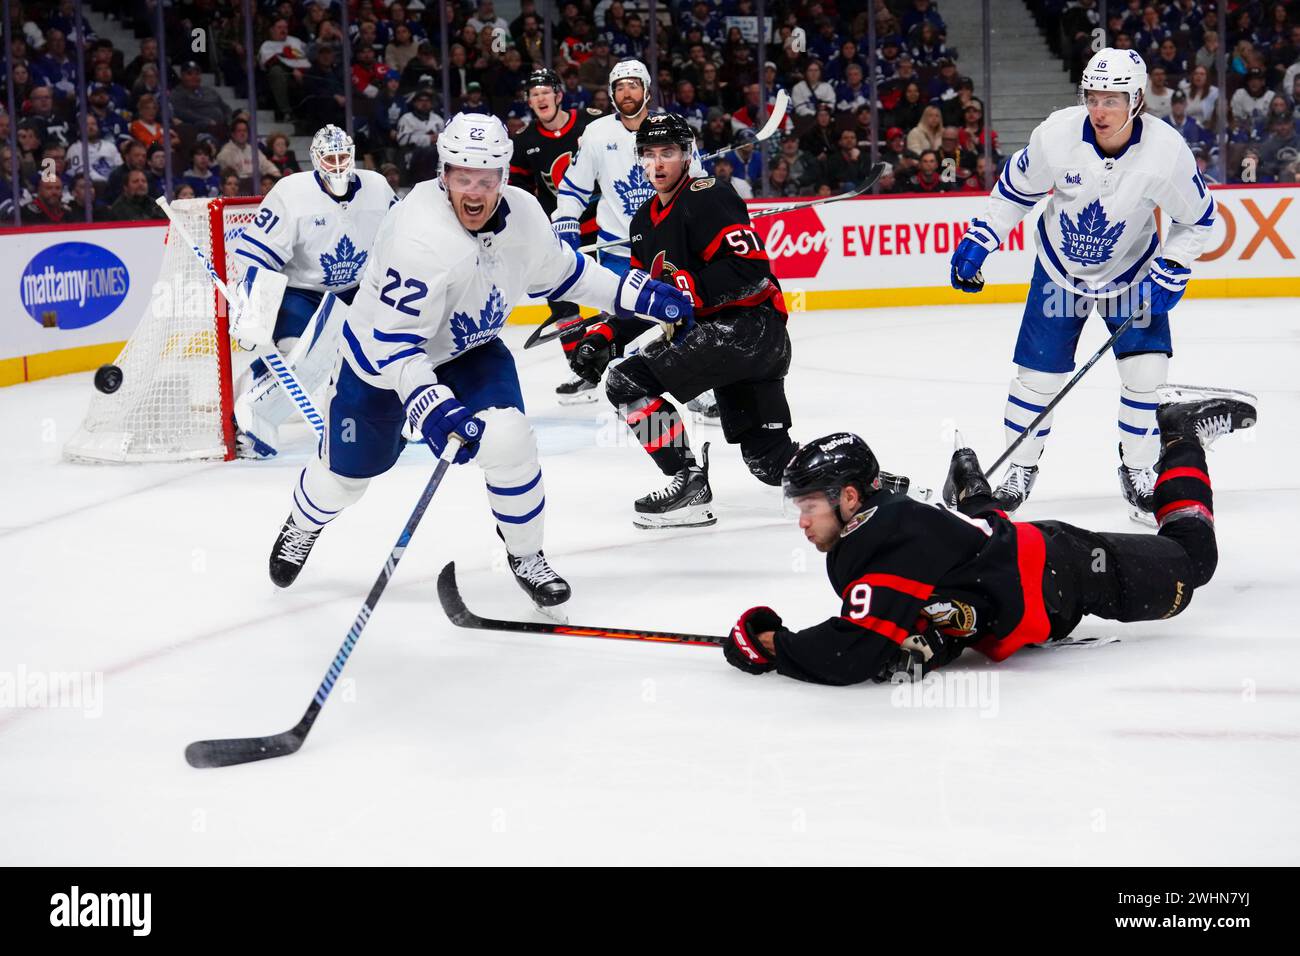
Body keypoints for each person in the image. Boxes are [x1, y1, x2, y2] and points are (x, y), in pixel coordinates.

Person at [264, 113, 689, 613]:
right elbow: (398, 345)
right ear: (443, 175)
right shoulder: (418, 237)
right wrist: (432, 407)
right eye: (462, 176)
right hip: (380, 361)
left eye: (485, 179)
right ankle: (303, 524)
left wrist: (636, 293)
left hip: (470, 350)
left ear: (503, 177)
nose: (474, 190)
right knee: (348, 475)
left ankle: (526, 556)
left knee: (510, 440)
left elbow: (567, 274)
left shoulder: (525, 213)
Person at [723, 388, 1257, 684]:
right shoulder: (879, 526)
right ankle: (972, 484)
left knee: (1193, 561)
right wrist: (929, 643)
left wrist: (772, 643)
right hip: (1027, 572)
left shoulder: (883, 540)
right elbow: (940, 593)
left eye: (810, 506)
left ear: (850, 498)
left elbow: (849, 654)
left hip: (1067, 569)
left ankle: (1181, 434)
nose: (802, 521)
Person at [949, 49, 1217, 524]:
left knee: (1147, 375)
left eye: (1111, 99)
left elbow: (1197, 219)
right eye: (1092, 97)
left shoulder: (1166, 151)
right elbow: (1015, 192)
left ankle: (1138, 469)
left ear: (1136, 100)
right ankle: (1020, 467)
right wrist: (981, 237)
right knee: (1037, 382)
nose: (1099, 110)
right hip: (1060, 274)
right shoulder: (1056, 135)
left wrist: (1173, 265)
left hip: (1131, 275)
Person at [564, 113, 797, 528]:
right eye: (649, 154)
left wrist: (692, 287)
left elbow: (751, 270)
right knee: (770, 461)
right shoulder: (641, 225)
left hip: (748, 328)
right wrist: (607, 334)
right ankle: (857, 481)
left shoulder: (709, 195)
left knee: (626, 382)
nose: (658, 164)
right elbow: (648, 302)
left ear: (688, 156)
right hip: (731, 342)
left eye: (668, 153)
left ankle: (687, 481)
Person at [549, 59, 714, 416]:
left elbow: (697, 183)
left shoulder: (674, 127)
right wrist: (565, 220)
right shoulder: (596, 134)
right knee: (625, 320)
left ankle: (695, 386)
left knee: (680, 313)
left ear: (647, 91)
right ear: (611, 94)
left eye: (633, 85)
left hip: (667, 244)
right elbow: (574, 188)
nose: (627, 92)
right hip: (619, 246)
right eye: (620, 86)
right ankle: (630, 390)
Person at [229, 126, 396, 459]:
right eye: (330, 158)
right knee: (299, 357)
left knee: (386, 348)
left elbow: (401, 234)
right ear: (316, 161)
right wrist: (252, 307)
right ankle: (249, 420)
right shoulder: (290, 192)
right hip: (302, 292)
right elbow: (254, 254)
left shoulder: (377, 187)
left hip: (356, 291)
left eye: (343, 156)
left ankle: (388, 419)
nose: (337, 165)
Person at [508, 68, 604, 403]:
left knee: (624, 293)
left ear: (559, 95)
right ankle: (583, 371)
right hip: (562, 235)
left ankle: (637, 362)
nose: (540, 99)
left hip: (607, 231)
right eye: (534, 95)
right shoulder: (524, 143)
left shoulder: (592, 123)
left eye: (545, 92)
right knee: (562, 300)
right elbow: (519, 194)